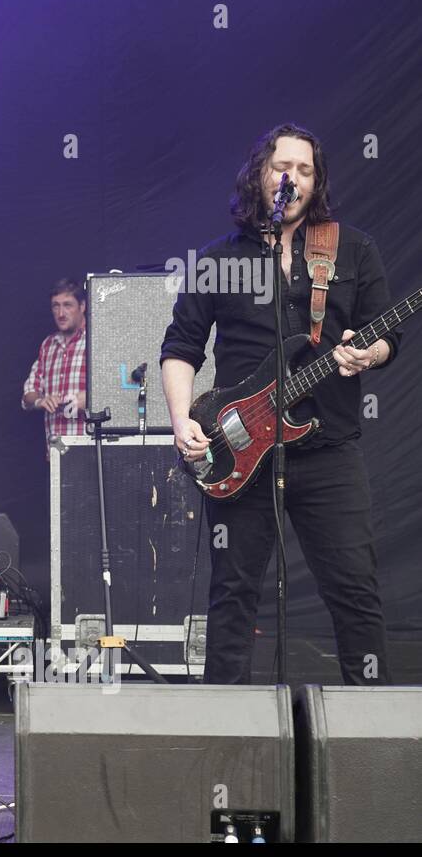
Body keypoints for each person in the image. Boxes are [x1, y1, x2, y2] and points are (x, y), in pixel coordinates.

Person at [160, 122, 399, 685]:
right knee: (233, 592)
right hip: (240, 446)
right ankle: (227, 731)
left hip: (329, 447)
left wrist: (371, 354)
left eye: (305, 170)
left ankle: (370, 732)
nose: (291, 177)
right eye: (281, 166)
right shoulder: (219, 259)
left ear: (317, 185)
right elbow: (181, 346)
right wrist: (179, 421)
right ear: (260, 176)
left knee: (354, 588)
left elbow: (387, 335)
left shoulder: (353, 249)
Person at [21, 278, 87, 448]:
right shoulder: (48, 345)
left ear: (82, 306)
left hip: (91, 448)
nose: (61, 313)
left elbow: (119, 389)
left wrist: (91, 399)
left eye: (67, 305)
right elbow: (29, 392)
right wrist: (40, 401)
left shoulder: (97, 340)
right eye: (55, 306)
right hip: (57, 450)